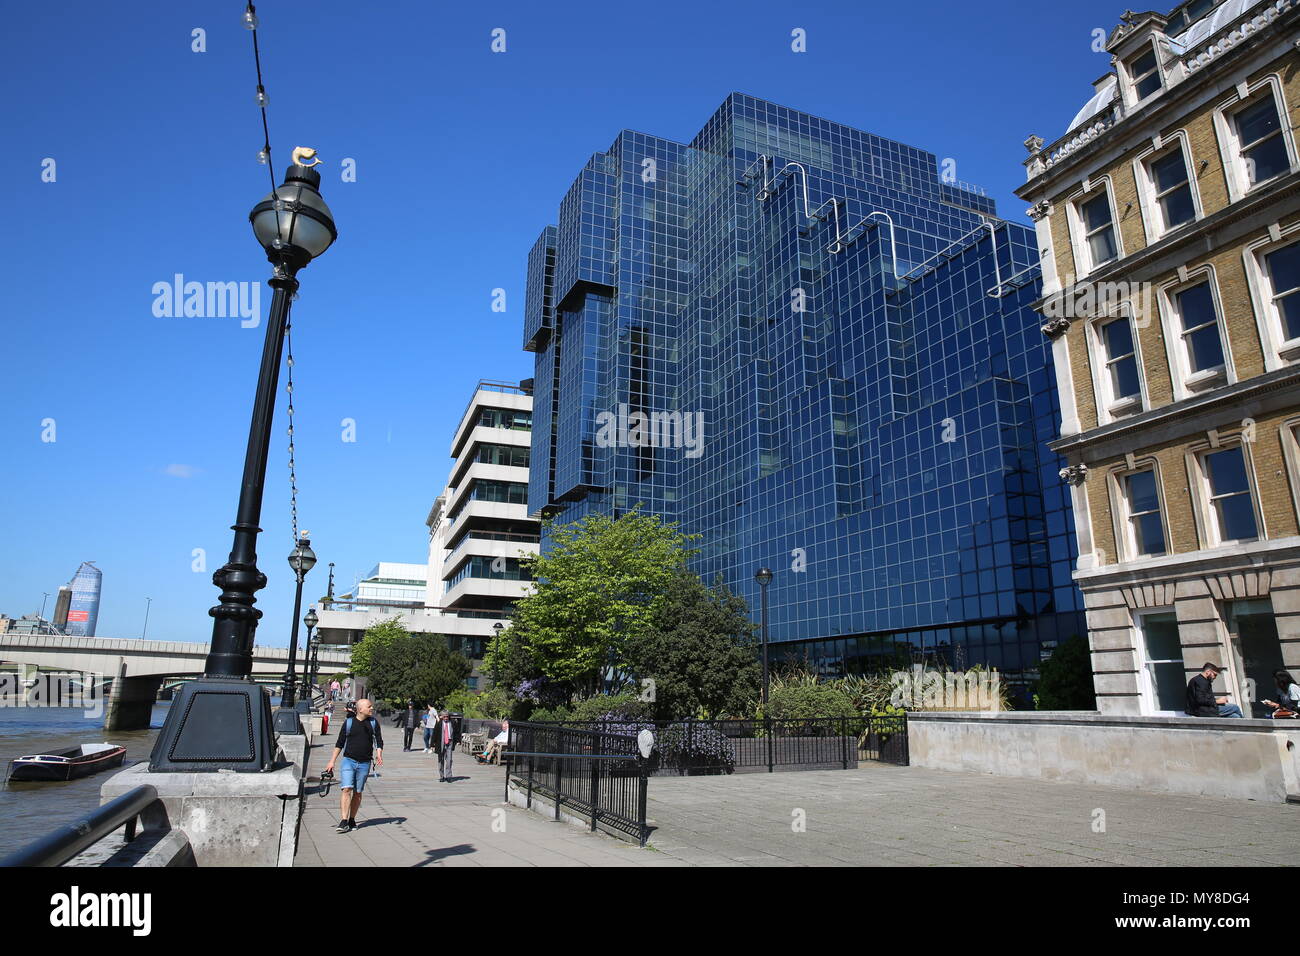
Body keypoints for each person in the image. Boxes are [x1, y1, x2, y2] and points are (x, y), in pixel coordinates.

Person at [323, 697, 384, 833]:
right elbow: (339, 743)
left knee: (357, 792)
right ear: (360, 709)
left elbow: (379, 741)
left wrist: (379, 754)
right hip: (348, 761)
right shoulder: (349, 723)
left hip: (365, 763)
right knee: (346, 789)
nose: (371, 708)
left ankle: (352, 819)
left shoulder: (373, 723)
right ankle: (344, 820)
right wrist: (332, 761)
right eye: (369, 706)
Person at [432, 709, 461, 782]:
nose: (446, 718)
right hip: (441, 743)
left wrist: (458, 740)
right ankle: (441, 776)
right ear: (442, 717)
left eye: (447, 717)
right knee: (440, 760)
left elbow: (457, 732)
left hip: (450, 743)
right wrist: (432, 744)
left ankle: (449, 776)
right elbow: (434, 734)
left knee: (449, 760)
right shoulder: (439, 723)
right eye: (444, 717)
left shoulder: (452, 723)